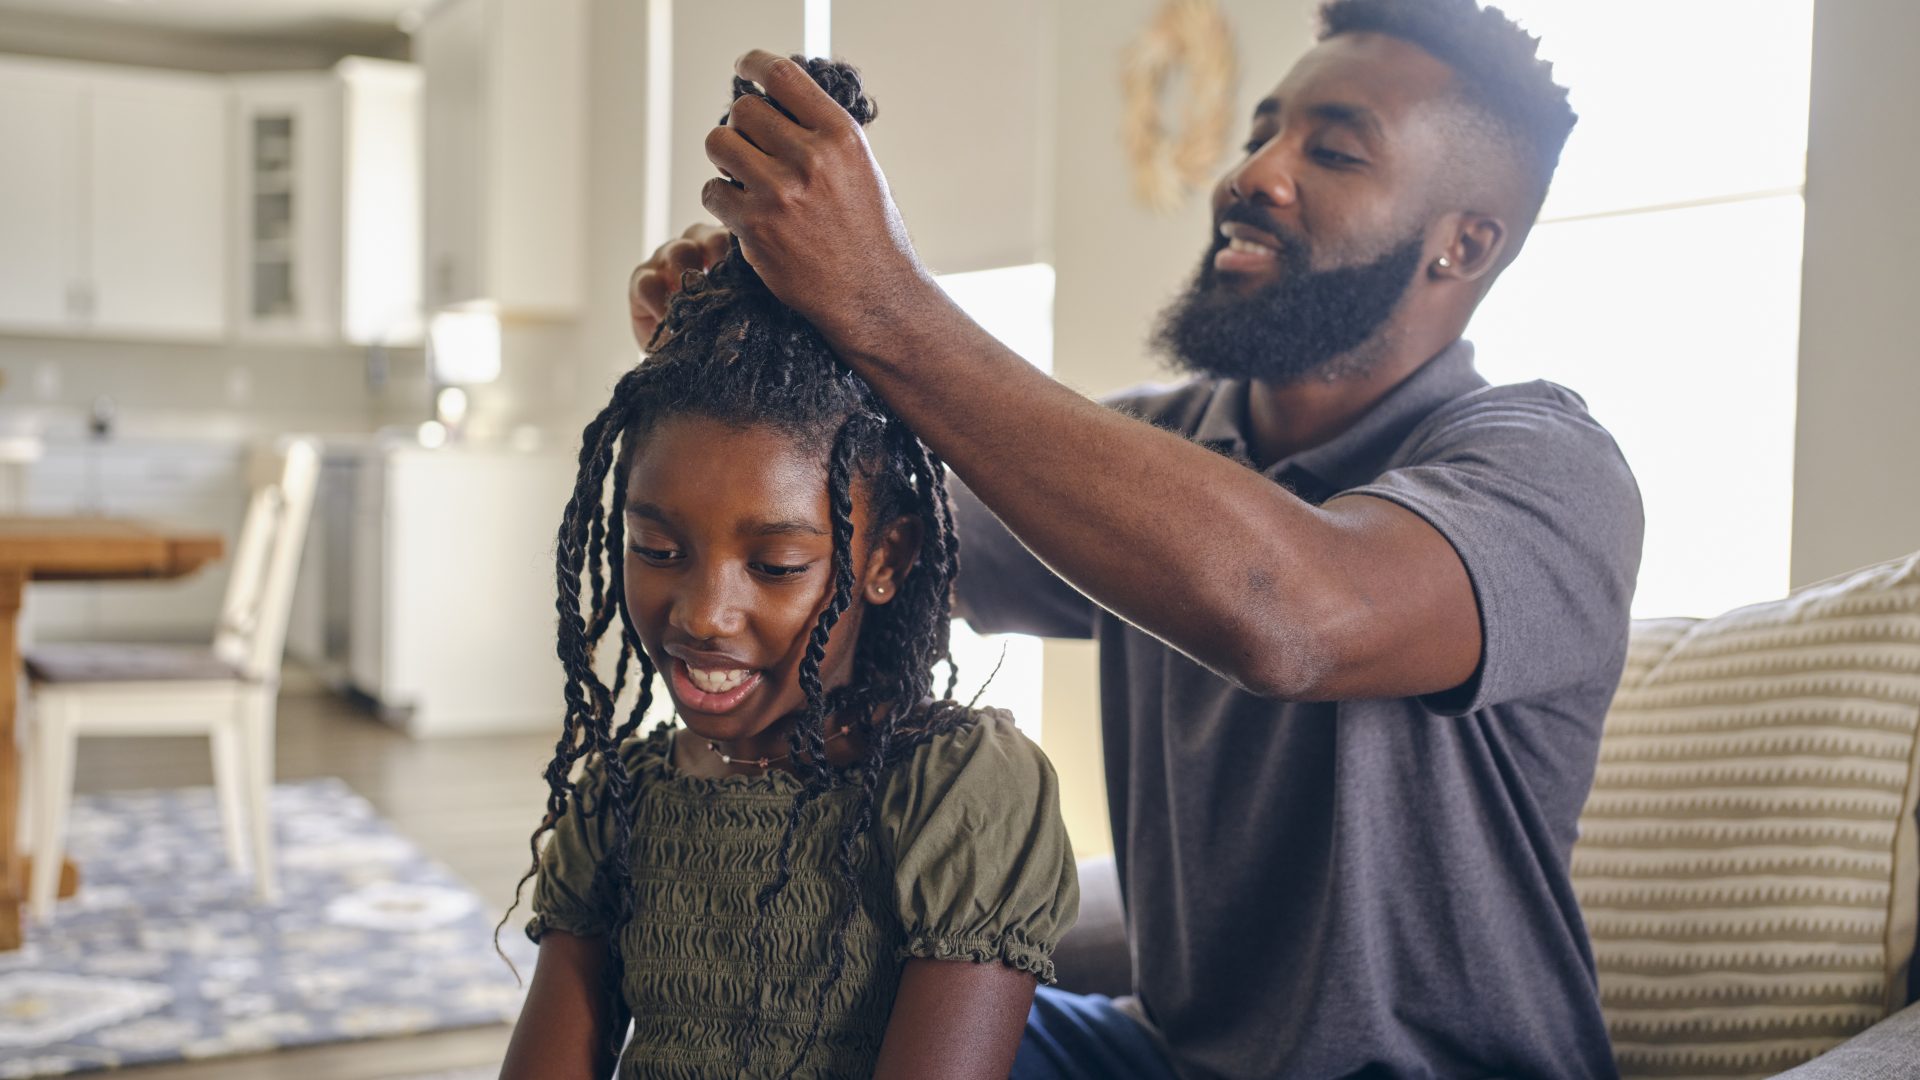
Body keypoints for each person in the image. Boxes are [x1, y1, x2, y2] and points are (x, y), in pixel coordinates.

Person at [631, 1, 1644, 1076]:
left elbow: (1295, 611)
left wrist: (884, 301)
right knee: (806, 983)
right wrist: (771, 378)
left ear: (1465, 242)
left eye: (1334, 150)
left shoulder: (1548, 469)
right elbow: (872, 548)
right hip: (1165, 1058)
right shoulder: (1164, 443)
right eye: (1261, 132)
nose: (1254, 173)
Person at [502, 59, 1079, 1080]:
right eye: (654, 548)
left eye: (774, 563)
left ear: (888, 556)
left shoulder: (956, 797)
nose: (702, 612)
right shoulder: (622, 804)